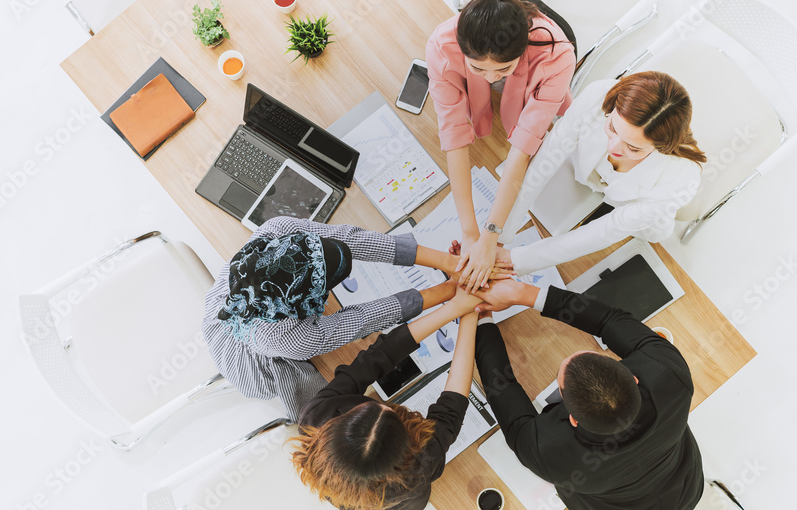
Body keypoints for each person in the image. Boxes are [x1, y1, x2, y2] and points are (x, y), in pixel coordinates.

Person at [202, 216, 511, 419]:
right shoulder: (287, 338)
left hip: (252, 309)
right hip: (256, 367)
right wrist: (448, 291)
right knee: (317, 397)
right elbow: (360, 320)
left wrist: (452, 263)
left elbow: (350, 238)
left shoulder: (276, 231)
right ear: (305, 302)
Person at [469, 278, 704, 509]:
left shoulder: (547, 452)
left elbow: (501, 387)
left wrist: (481, 318)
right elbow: (609, 320)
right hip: (686, 485)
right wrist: (524, 293)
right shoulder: (669, 375)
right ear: (632, 378)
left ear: (572, 418)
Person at [426, 0, 576, 292]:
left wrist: (490, 235)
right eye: (478, 67)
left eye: (503, 69)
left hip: (542, 65)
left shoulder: (557, 57)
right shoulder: (441, 45)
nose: (493, 77)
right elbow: (454, 136)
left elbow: (521, 150)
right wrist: (470, 233)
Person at [292, 286, 484, 510]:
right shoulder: (418, 471)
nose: (386, 406)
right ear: (408, 448)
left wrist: (455, 308)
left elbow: (378, 356)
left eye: (370, 408)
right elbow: (451, 409)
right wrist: (471, 315)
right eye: (392, 413)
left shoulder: (316, 418)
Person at [495, 71, 706, 276]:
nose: (613, 147)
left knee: (656, 233)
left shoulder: (680, 177)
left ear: (661, 147)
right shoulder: (598, 96)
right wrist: (499, 234)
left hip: (637, 213)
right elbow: (548, 157)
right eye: (612, 128)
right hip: (583, 174)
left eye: (633, 148)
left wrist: (515, 261)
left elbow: (604, 232)